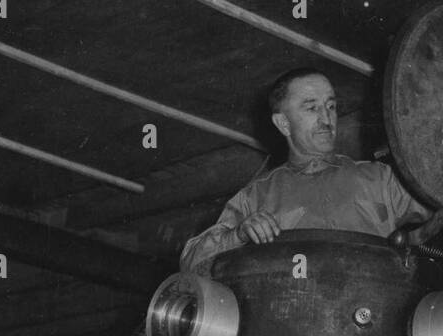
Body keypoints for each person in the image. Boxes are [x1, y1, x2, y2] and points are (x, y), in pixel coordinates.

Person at [179, 69, 425, 274]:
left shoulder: (381, 178)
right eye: (311, 108)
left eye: (331, 106)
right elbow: (191, 262)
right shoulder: (256, 196)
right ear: (283, 123)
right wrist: (239, 234)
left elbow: (440, 200)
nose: (326, 119)